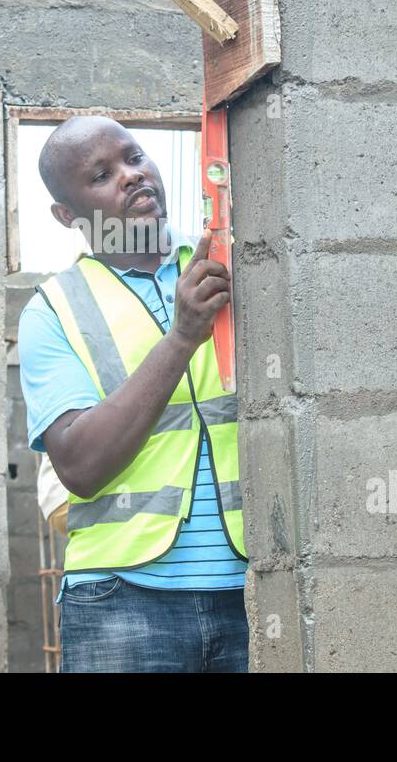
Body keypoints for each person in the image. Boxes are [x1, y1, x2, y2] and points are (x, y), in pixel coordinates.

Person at [17, 114, 247, 673]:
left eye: (134, 157)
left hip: (254, 587)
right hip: (121, 600)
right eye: (100, 175)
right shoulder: (53, 310)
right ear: (66, 215)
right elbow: (80, 465)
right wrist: (183, 338)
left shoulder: (226, 266)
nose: (130, 176)